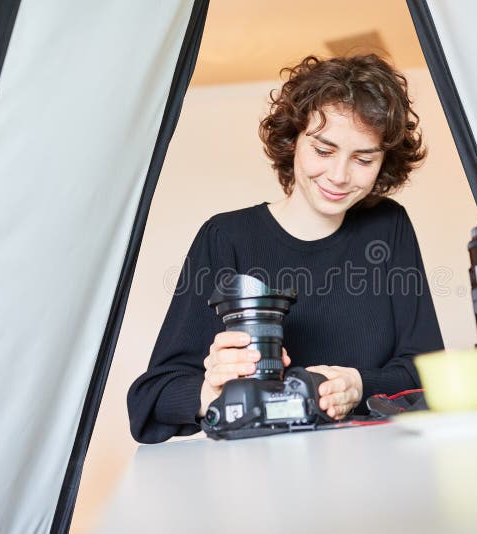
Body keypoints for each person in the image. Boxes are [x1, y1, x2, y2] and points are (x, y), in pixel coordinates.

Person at [127, 54, 444, 444]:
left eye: (363, 159)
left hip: (377, 470)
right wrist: (212, 391)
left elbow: (429, 372)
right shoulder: (226, 237)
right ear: (293, 139)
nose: (339, 176)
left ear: (384, 163)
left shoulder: (388, 226)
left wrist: (359, 385)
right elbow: (150, 397)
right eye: (324, 151)